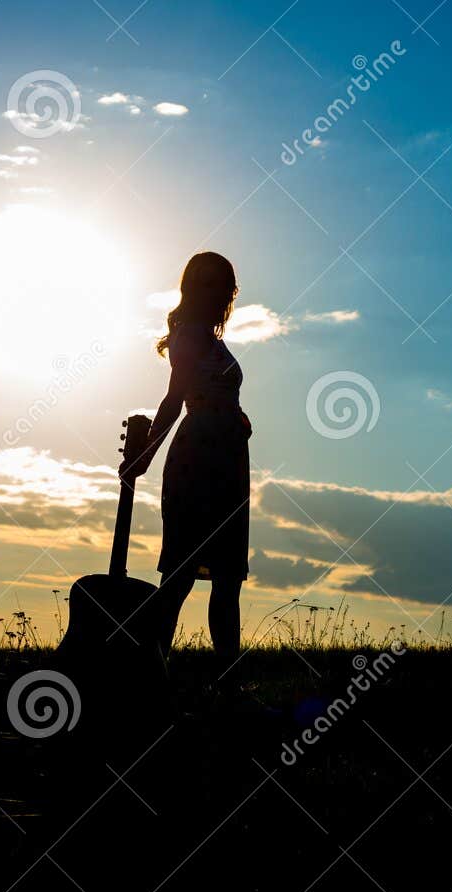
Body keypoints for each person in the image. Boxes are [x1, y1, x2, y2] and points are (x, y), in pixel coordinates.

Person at [120, 251, 251, 662]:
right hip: (199, 460)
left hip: (229, 460)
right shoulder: (190, 336)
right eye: (208, 283)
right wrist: (144, 455)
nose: (219, 292)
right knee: (180, 573)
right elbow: (175, 400)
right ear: (194, 288)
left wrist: (237, 416)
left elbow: (212, 392)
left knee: (228, 577)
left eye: (223, 284)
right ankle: (151, 670)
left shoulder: (211, 340)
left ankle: (227, 681)